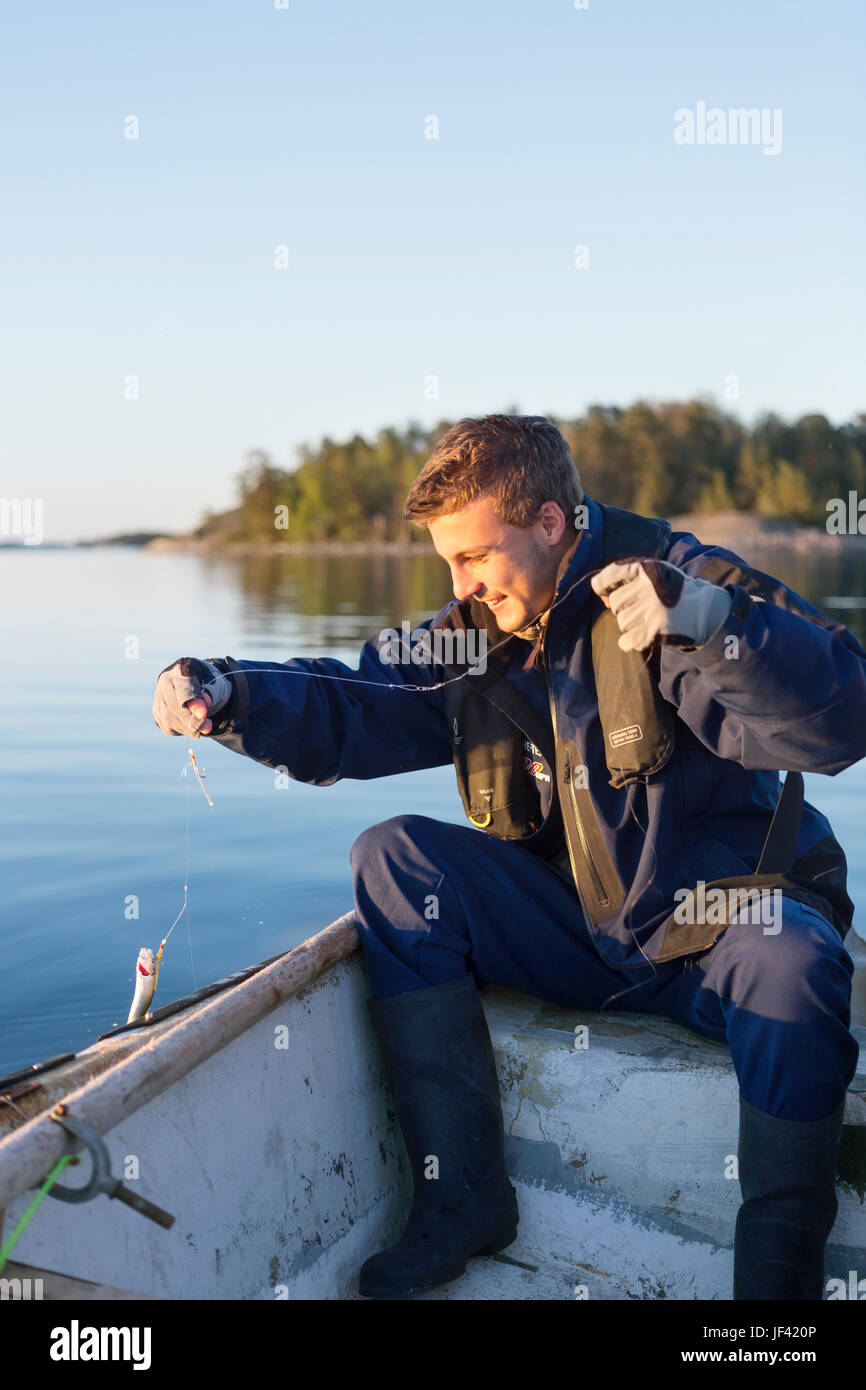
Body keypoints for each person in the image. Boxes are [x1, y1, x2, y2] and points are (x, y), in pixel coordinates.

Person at [152, 414, 865, 1302]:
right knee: (396, 860)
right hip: (579, 931)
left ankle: (774, 1301)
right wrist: (229, 693)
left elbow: (843, 715)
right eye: (446, 561)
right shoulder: (475, 629)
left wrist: (709, 621)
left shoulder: (685, 585)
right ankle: (462, 1205)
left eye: (474, 557)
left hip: (716, 929)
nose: (460, 584)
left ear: (550, 523)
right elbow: (357, 698)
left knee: (793, 959)